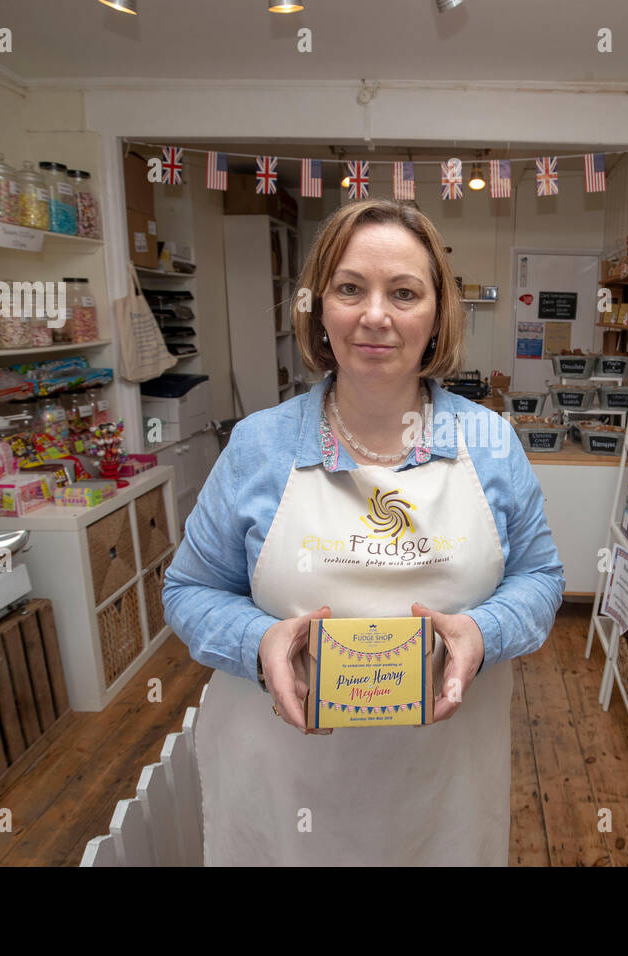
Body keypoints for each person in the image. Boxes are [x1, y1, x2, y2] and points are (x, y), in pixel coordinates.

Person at [162, 198, 565, 865]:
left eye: (403, 292)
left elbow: (540, 578)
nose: (375, 315)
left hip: (443, 790)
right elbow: (190, 591)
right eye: (350, 288)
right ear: (319, 307)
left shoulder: (490, 443)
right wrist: (258, 642)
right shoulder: (259, 446)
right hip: (282, 784)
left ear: (437, 314)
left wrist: (484, 632)